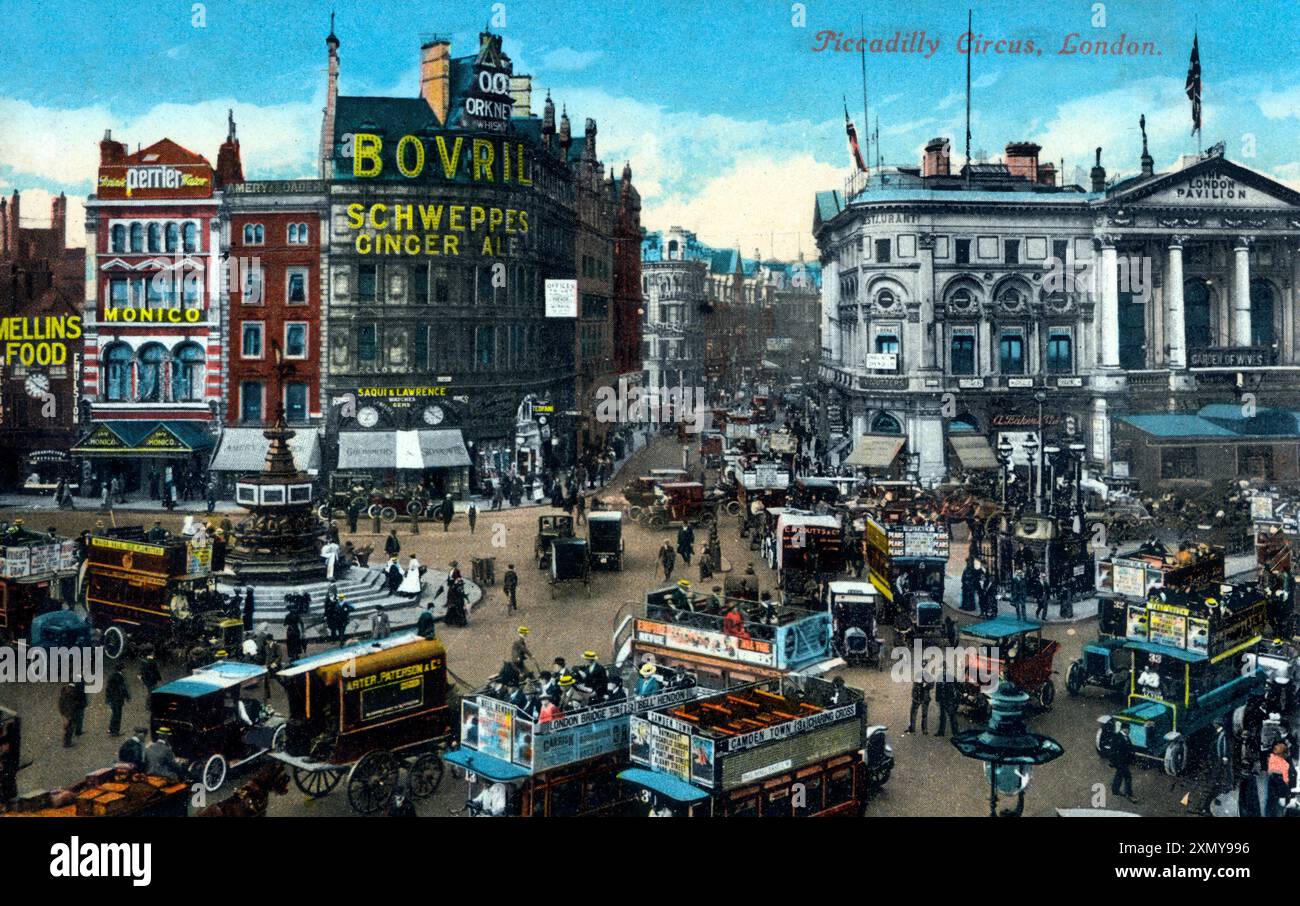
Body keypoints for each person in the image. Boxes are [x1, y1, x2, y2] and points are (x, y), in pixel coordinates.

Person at [1194, 718, 1235, 815]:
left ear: (1218, 725)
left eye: (1215, 724)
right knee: (1215, 782)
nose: (1214, 725)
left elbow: (1223, 746)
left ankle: (1205, 806)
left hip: (1219, 760)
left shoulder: (1222, 734)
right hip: (1217, 761)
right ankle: (1206, 806)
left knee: (1215, 782)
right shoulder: (1220, 733)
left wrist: (1224, 757)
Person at [1109, 721, 1137, 802]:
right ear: (1124, 729)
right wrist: (1114, 762)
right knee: (1128, 776)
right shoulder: (1118, 737)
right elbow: (1113, 750)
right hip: (1120, 762)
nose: (1129, 731)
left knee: (1119, 775)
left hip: (1123, 761)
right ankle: (1129, 794)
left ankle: (1115, 789)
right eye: (1128, 729)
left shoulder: (1125, 736)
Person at [1266, 742, 1293, 818]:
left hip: (1275, 785)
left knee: (1272, 804)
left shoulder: (1272, 759)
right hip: (1280, 786)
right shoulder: (1283, 763)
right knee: (1278, 806)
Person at [105, 661, 130, 736]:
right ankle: (115, 731)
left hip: (113, 699)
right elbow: (122, 688)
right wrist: (127, 696)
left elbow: (108, 688)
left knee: (114, 714)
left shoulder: (112, 676)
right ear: (122, 669)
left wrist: (108, 698)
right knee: (117, 715)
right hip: (117, 699)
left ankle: (111, 729)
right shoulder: (119, 677)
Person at [935, 671, 959, 738]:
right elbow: (938, 688)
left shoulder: (951, 677)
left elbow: (957, 688)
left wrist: (956, 700)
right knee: (942, 716)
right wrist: (937, 699)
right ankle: (941, 732)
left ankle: (955, 733)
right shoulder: (939, 677)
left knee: (952, 717)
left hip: (949, 700)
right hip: (943, 700)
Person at [58, 681, 80, 747]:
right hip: (69, 715)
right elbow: (66, 706)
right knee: (69, 729)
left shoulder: (64, 695)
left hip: (68, 714)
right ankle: (67, 742)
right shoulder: (67, 696)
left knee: (68, 728)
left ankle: (66, 741)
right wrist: (67, 716)